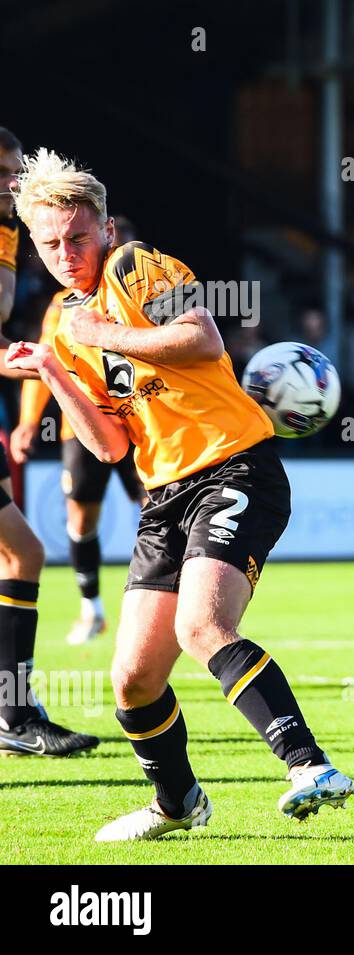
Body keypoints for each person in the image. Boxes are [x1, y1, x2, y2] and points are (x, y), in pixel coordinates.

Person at [8, 147, 354, 839]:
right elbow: (109, 446)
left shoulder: (136, 266)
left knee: (202, 626)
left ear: (105, 228)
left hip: (237, 467)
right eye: (50, 244)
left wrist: (103, 331)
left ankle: (308, 764)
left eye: (78, 236)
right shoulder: (57, 324)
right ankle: (177, 802)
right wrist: (53, 368)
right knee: (133, 681)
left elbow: (202, 338)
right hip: (163, 495)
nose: (66, 253)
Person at [0, 127, 98, 756]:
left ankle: (13, 712)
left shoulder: (10, 232)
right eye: (0, 170)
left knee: (16, 556)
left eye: (14, 169)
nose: (10, 180)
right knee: (22, 554)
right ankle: (12, 716)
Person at [11, 216, 147, 645]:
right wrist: (29, 422)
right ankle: (92, 609)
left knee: (157, 507)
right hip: (84, 428)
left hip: (140, 423)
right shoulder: (62, 305)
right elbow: (46, 364)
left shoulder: (143, 292)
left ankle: (159, 600)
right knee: (81, 517)